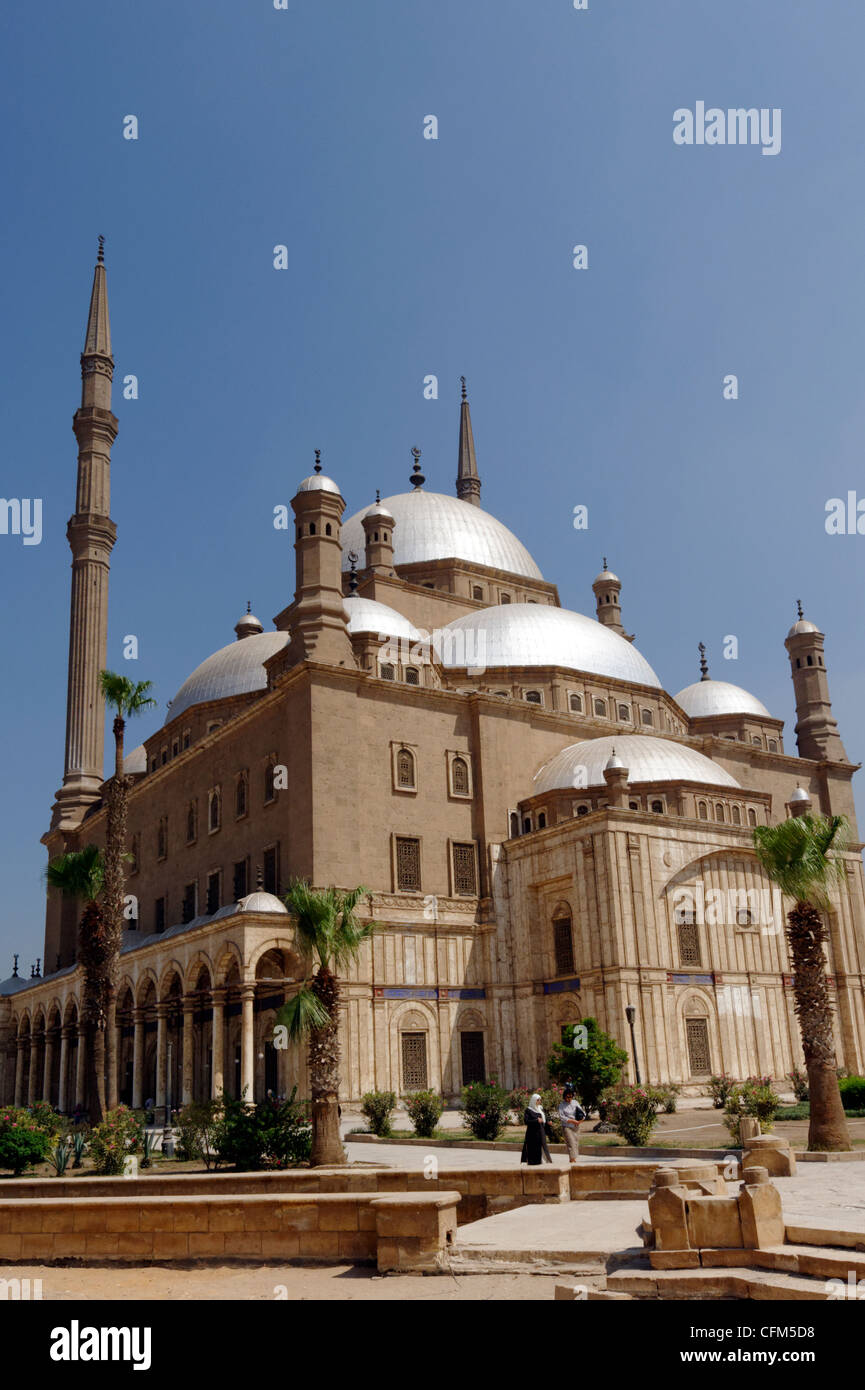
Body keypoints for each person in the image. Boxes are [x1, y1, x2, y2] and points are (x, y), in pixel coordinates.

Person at [521, 1092, 553, 1165]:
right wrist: (536, 1120)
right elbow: (526, 1121)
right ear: (534, 1100)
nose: (539, 1101)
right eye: (538, 1100)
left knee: (543, 1145)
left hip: (541, 1130)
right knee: (533, 1147)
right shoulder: (528, 1110)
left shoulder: (540, 1108)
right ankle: (534, 1162)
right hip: (532, 1133)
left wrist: (548, 1122)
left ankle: (546, 1161)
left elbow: (544, 1119)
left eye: (540, 1100)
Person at [558, 1086, 586, 1164]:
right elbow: (562, 1117)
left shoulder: (575, 1102)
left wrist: (580, 1120)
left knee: (576, 1143)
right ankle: (572, 1159)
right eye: (568, 1097)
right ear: (564, 1096)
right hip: (567, 1126)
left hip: (576, 1126)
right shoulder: (561, 1105)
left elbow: (582, 1112)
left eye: (571, 1096)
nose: (569, 1098)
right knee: (571, 1143)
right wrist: (572, 1121)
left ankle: (573, 1159)